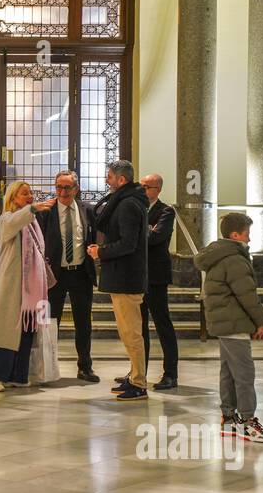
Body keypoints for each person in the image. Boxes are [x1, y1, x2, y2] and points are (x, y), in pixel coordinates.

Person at [193, 212, 263, 443]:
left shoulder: (218, 255)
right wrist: (261, 321)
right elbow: (247, 294)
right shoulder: (235, 259)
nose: (249, 239)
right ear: (235, 234)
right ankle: (249, 422)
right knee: (244, 374)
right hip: (234, 322)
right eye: (247, 234)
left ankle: (229, 419)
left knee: (228, 372)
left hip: (226, 321)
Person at [0, 181, 57, 392]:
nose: (30, 196)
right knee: (6, 330)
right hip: (13, 285)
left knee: (27, 330)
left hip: (31, 289)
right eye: (25, 194)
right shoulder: (7, 219)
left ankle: (17, 375)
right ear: (13, 198)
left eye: (31, 193)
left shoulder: (31, 223)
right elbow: (14, 223)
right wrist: (32, 209)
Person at [87, 160, 149, 400]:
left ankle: (139, 382)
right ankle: (134, 374)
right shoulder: (125, 201)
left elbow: (128, 243)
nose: (106, 180)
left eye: (110, 177)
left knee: (131, 333)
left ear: (121, 180)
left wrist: (100, 252)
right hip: (123, 276)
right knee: (127, 332)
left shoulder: (128, 205)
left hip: (127, 278)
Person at [37, 170, 99, 383]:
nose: (62, 192)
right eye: (59, 187)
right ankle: (46, 367)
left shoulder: (87, 210)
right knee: (49, 322)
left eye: (67, 187)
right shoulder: (46, 211)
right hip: (54, 275)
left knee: (83, 323)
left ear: (76, 189)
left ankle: (85, 367)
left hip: (81, 273)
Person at [140, 173, 179, 391]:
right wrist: (147, 230)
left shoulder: (166, 211)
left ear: (158, 190)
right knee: (139, 327)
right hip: (136, 275)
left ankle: (171, 374)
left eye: (148, 187)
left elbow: (156, 238)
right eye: (142, 186)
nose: (143, 190)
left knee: (163, 324)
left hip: (156, 276)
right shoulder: (137, 209)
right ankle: (138, 371)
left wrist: (143, 232)